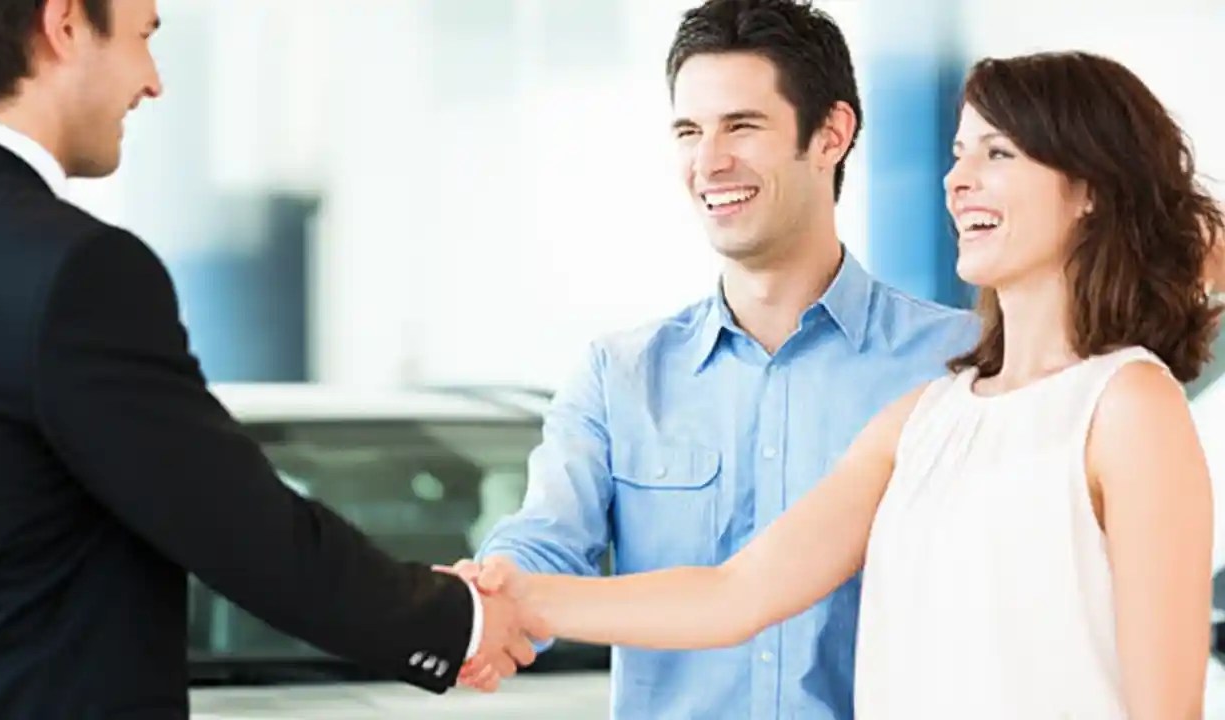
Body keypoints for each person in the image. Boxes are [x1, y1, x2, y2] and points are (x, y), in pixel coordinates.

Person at [468, 50, 1222, 719]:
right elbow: (736, 595)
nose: (959, 181)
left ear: (1090, 187)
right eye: (959, 155)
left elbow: (1166, 710)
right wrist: (511, 595)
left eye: (999, 153)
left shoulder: (1126, 407)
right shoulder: (923, 416)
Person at [0, 1, 533, 717]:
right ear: (65, 25)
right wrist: (457, 620)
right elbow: (231, 520)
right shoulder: (72, 269)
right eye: (142, 38)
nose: (154, 82)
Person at [448, 0, 977, 717]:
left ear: (831, 134)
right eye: (689, 131)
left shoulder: (955, 365)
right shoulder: (620, 376)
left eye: (742, 126)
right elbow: (545, 543)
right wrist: (482, 601)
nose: (709, 161)